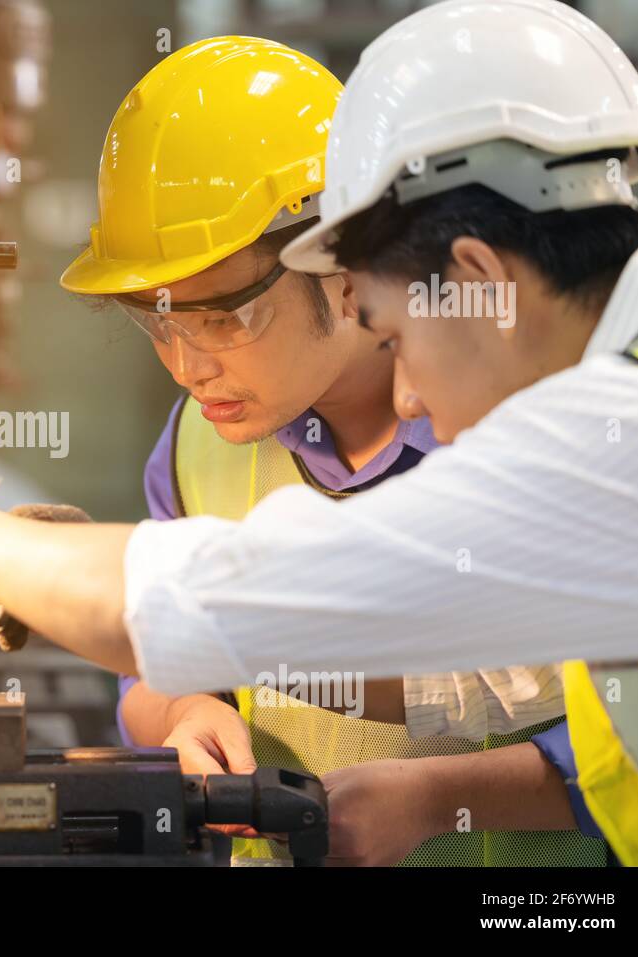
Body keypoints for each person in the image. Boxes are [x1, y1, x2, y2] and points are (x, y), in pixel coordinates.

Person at [0, 0, 638, 866]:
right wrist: (172, 686)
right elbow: (476, 680)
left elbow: (246, 604)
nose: (407, 397)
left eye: (396, 331)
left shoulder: (626, 438)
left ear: (476, 279)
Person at [59, 35, 596, 866]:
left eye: (225, 317)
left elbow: (634, 735)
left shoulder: (523, 426)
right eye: (155, 320)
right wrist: (184, 711)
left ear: (343, 268)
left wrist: (436, 798)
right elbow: (151, 667)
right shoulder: (199, 439)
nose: (186, 364)